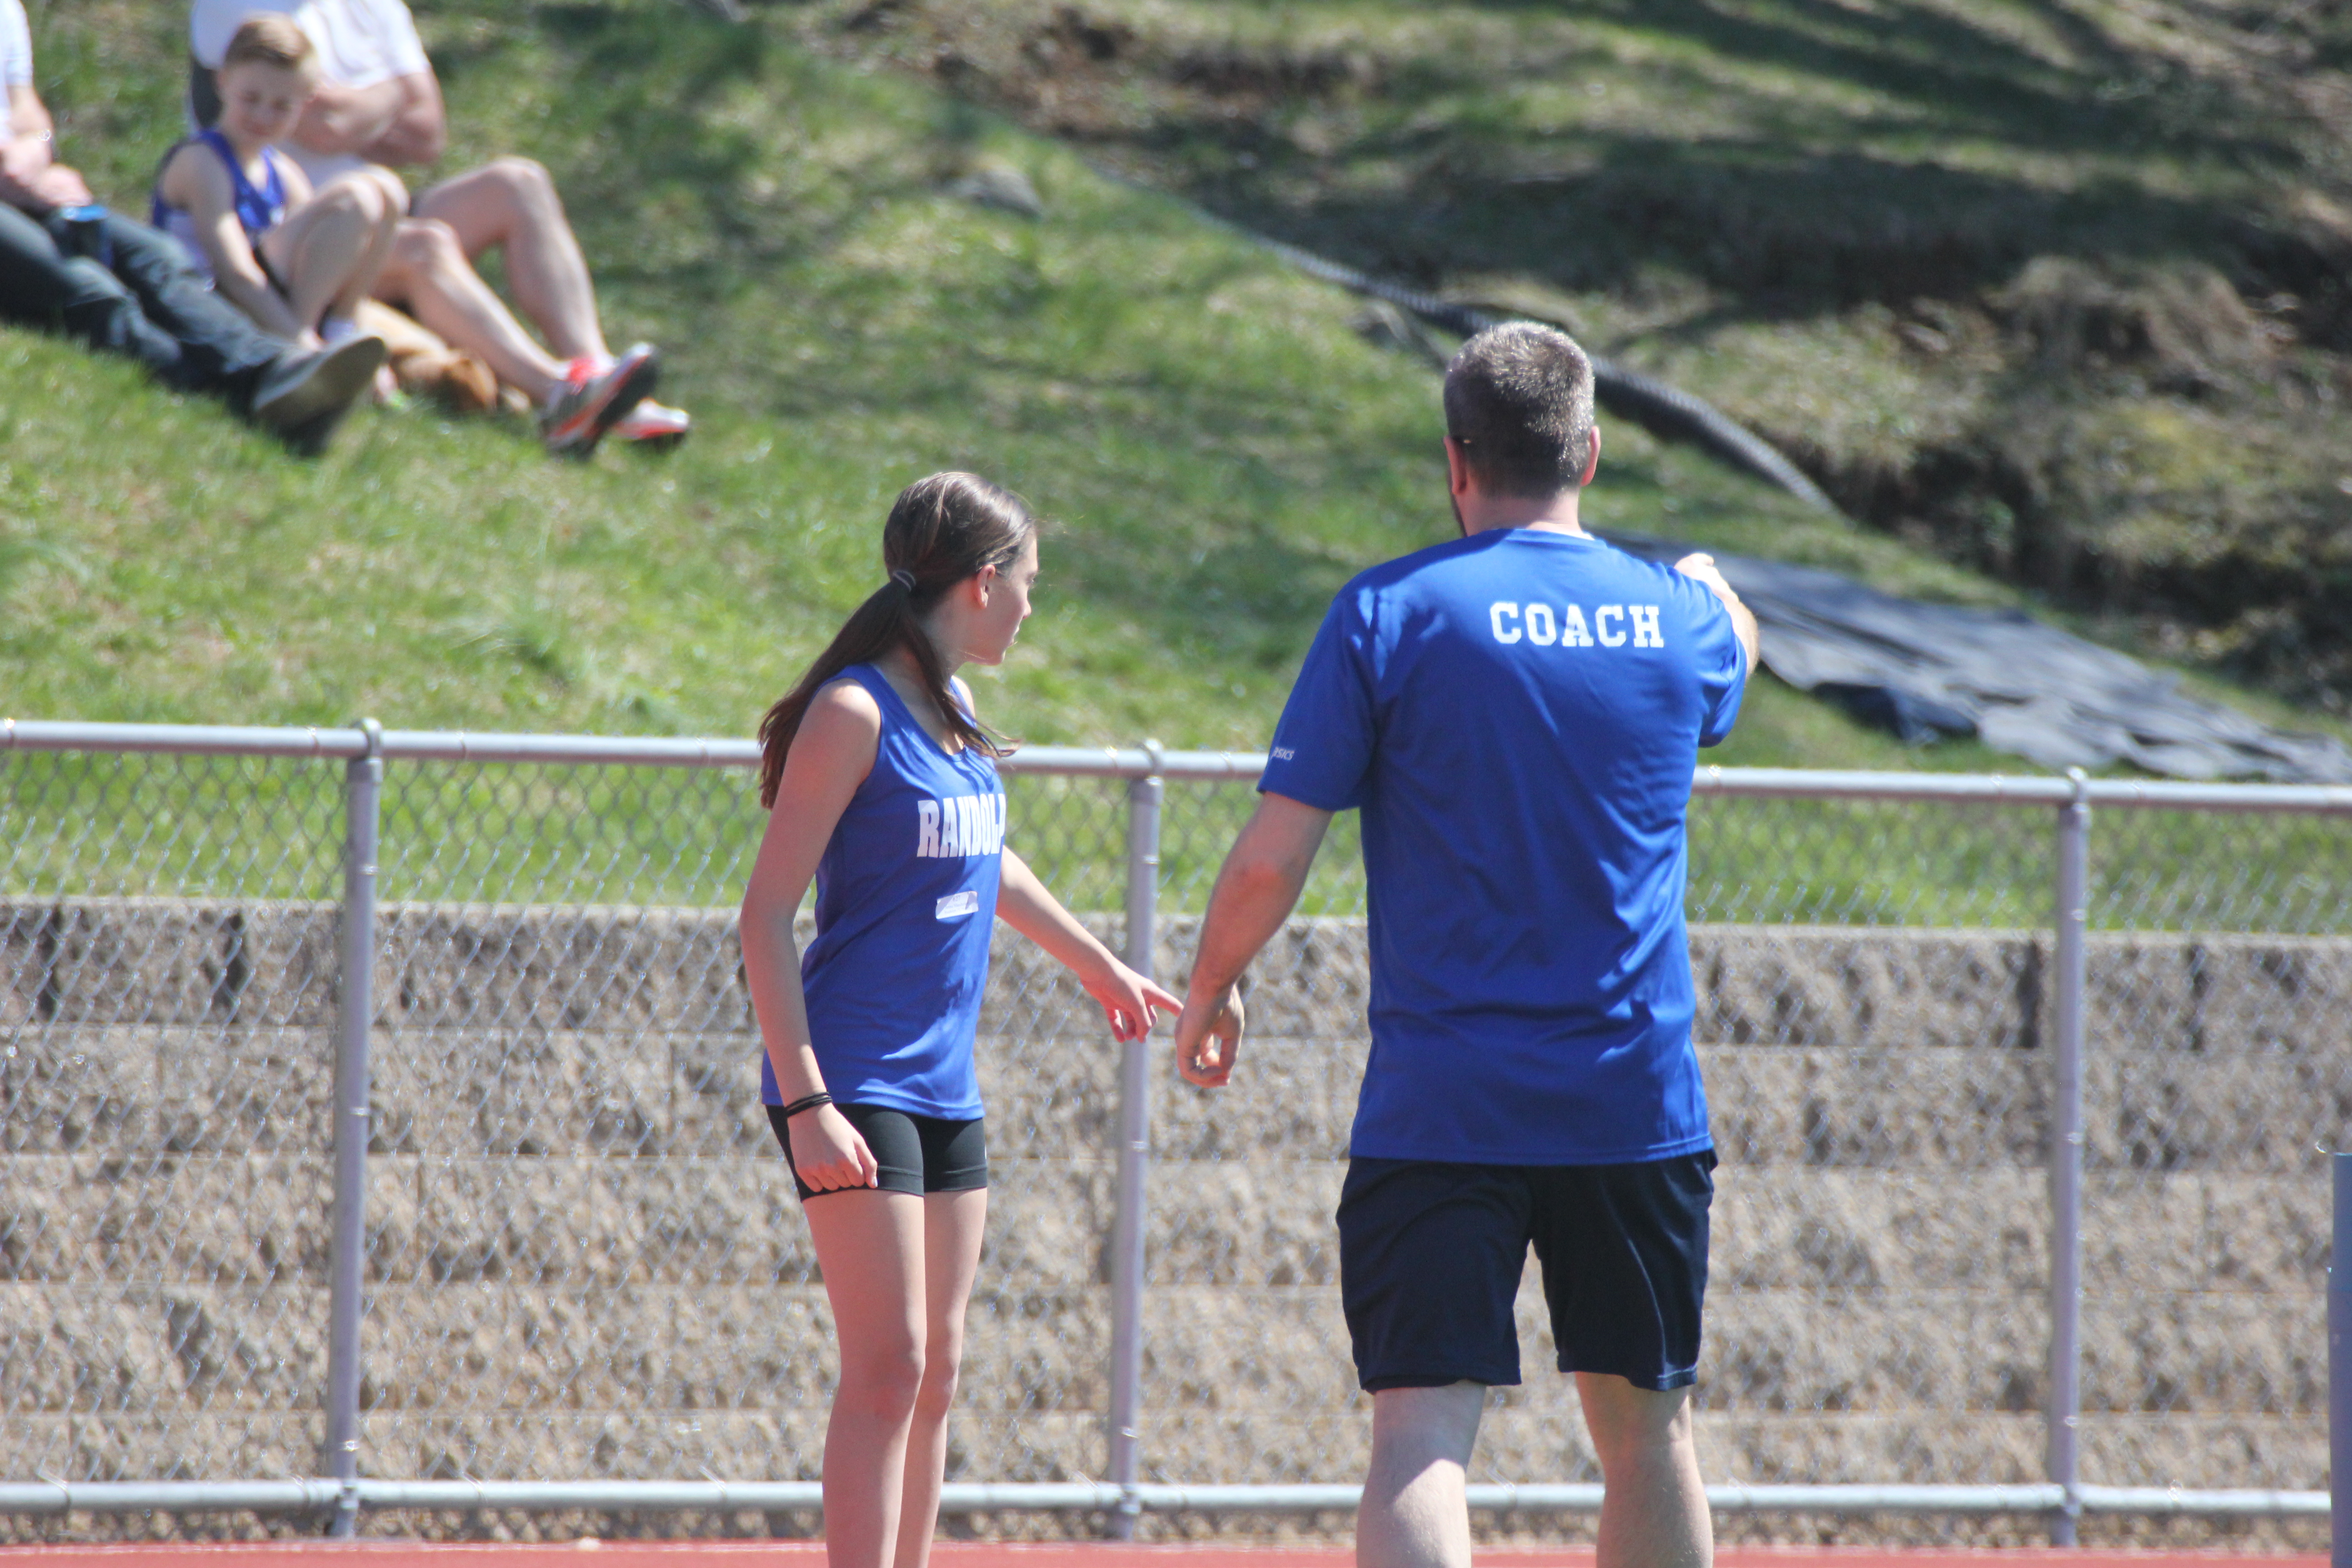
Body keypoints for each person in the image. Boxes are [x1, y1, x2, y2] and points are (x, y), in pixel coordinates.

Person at [1170, 323, 1761, 1568]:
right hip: (1631, 1102)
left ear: (1456, 462)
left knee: (1421, 1435)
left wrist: (1212, 985)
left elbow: (1277, 851)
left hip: (1441, 1106)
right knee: (1649, 1437)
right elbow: (1735, 646)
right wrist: (1714, 585)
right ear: (1589, 453)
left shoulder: (1389, 613)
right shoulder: (1671, 618)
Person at [738, 472, 1181, 1568]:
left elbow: (988, 854)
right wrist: (805, 1100)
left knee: (937, 1368)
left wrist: (1097, 963)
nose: (1033, 604)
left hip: (943, 1082)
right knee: (886, 1364)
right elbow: (761, 920)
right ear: (981, 582)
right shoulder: (854, 710)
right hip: (853, 1079)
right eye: (1028, 582)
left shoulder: (956, 708)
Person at [188, 0, 688, 454]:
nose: (269, 111)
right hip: (302, 236)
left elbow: (427, 133)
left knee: (518, 183)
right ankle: (562, 396)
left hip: (378, 220)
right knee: (422, 239)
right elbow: (324, 123)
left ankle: (598, 376)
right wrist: (391, 95)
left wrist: (357, 113)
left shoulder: (376, 8)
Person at [0, 0, 383, 451]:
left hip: (27, 188)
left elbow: (29, 113)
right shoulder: (203, 161)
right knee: (91, 292)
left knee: (159, 257)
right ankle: (230, 395)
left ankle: (274, 371)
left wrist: (39, 152)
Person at [153, 15, 400, 366]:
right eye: (251, 98)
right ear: (223, 82)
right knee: (353, 197)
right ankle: (302, 352)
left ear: (305, 103)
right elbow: (235, 273)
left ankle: (342, 327)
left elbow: (312, 255)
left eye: (282, 106)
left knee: (388, 190)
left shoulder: (283, 171)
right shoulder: (203, 162)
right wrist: (299, 342)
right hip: (206, 304)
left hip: (265, 305)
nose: (263, 115)